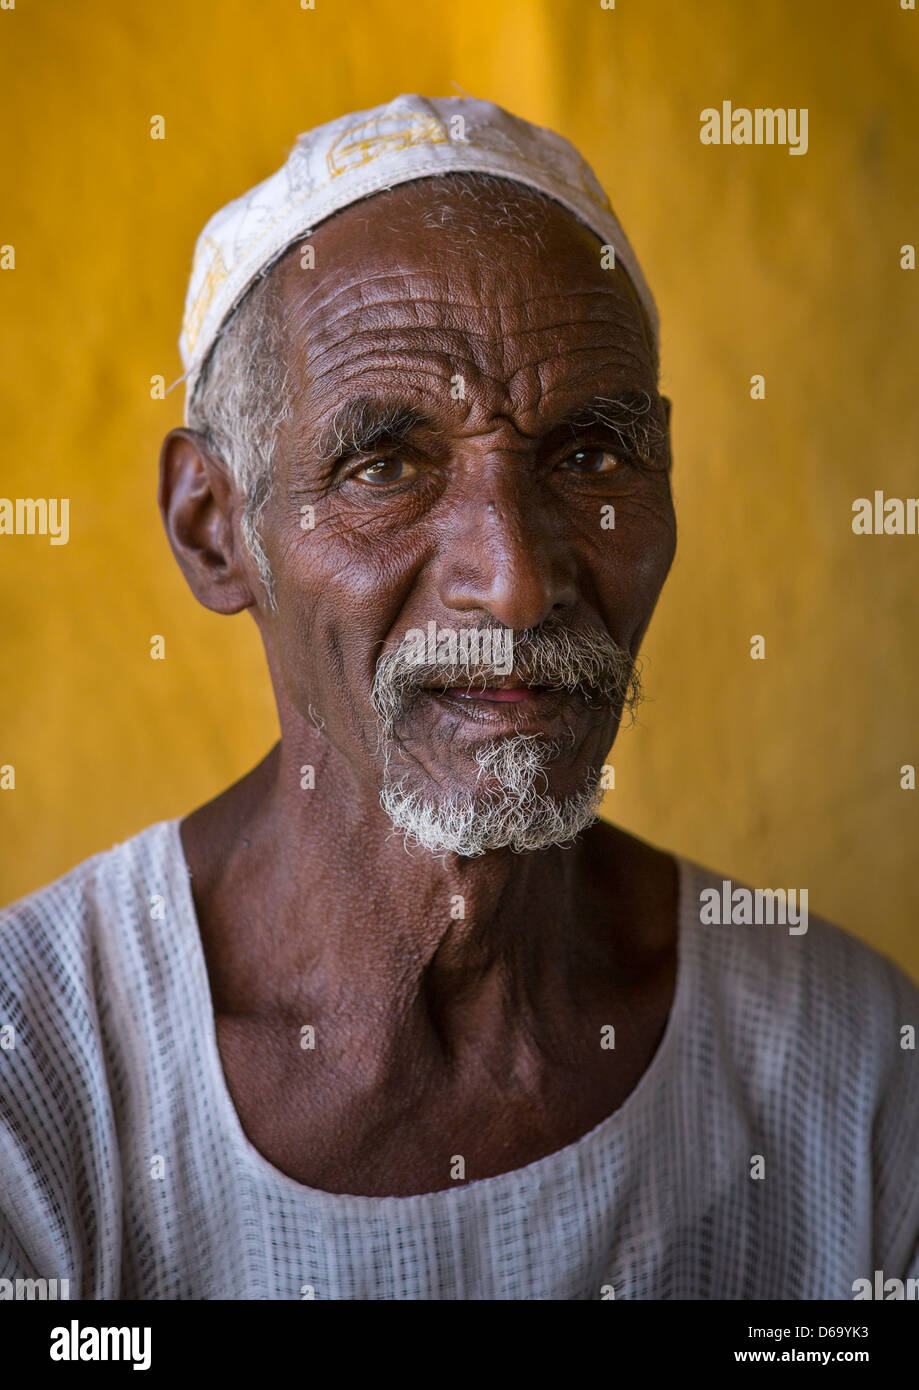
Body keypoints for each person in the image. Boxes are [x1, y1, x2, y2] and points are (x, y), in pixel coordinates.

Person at [1, 95, 917, 1301]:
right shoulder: (39, 1077)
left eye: (591, 455)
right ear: (213, 529)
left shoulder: (854, 1069)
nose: (520, 581)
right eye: (385, 463)